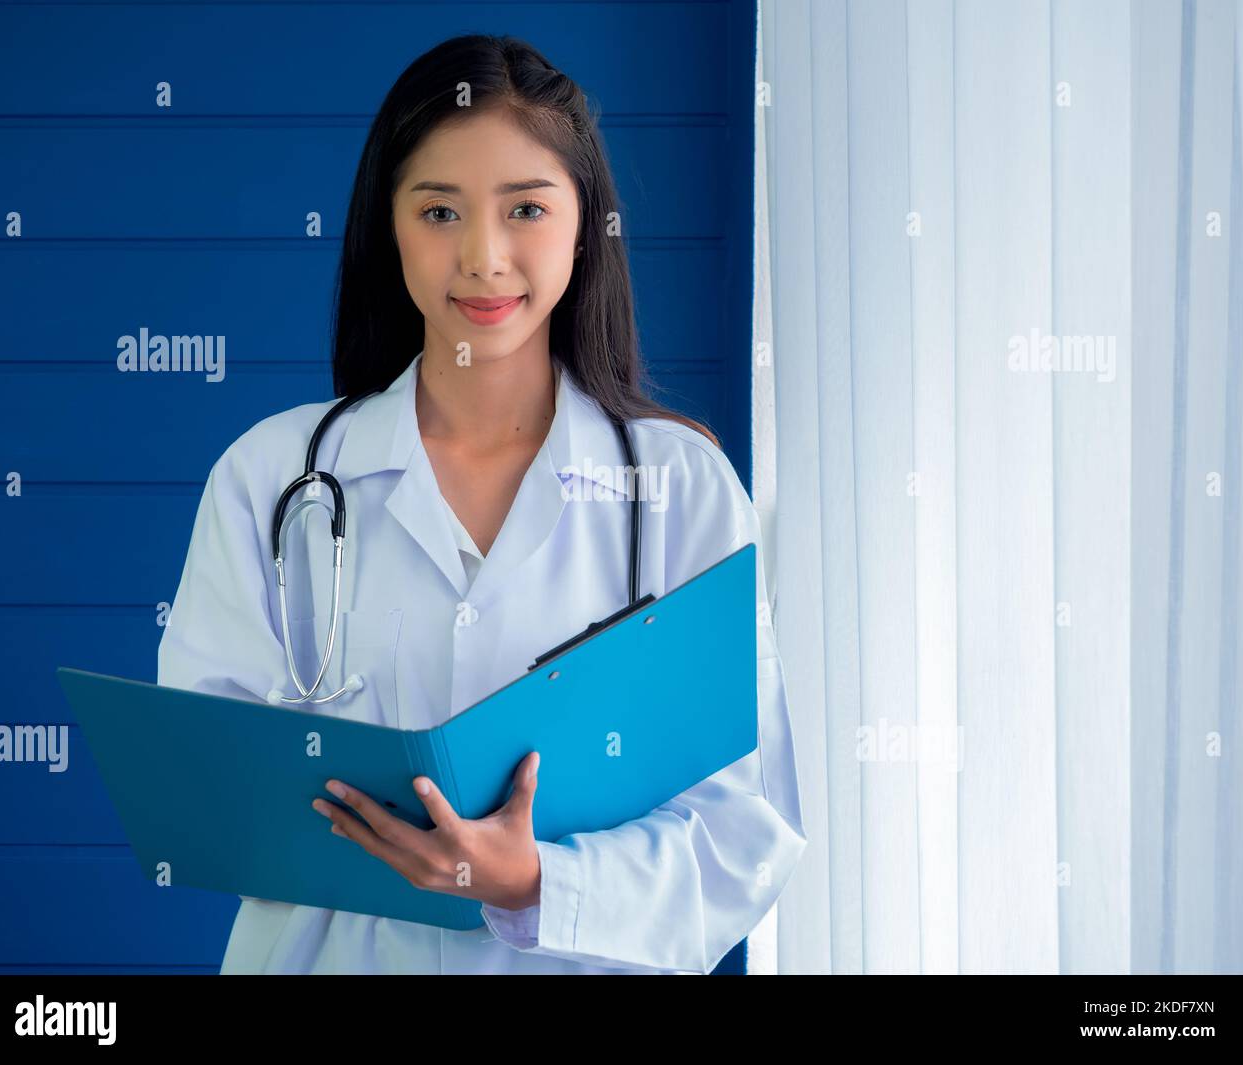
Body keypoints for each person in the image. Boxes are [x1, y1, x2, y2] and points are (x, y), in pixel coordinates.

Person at [157, 33, 806, 975]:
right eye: (439, 211)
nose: (483, 256)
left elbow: (747, 826)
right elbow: (203, 783)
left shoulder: (681, 489)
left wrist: (533, 878)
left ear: (586, 225)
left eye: (527, 209)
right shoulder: (272, 477)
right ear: (390, 227)